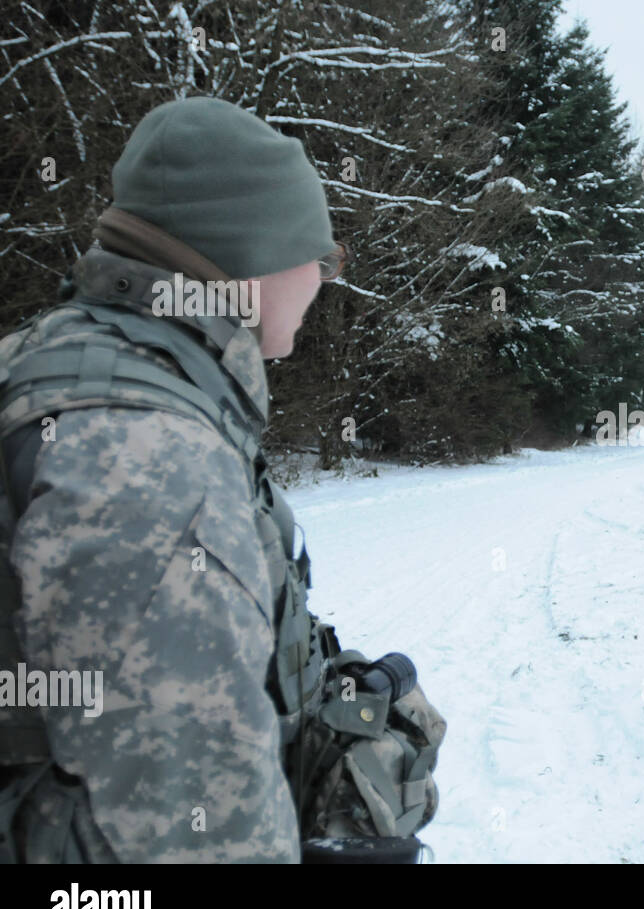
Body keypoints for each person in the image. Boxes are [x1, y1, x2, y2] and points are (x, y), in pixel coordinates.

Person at [0, 97, 442, 863]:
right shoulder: (148, 452)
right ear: (258, 255)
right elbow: (181, 823)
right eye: (322, 258)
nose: (324, 280)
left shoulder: (75, 368)